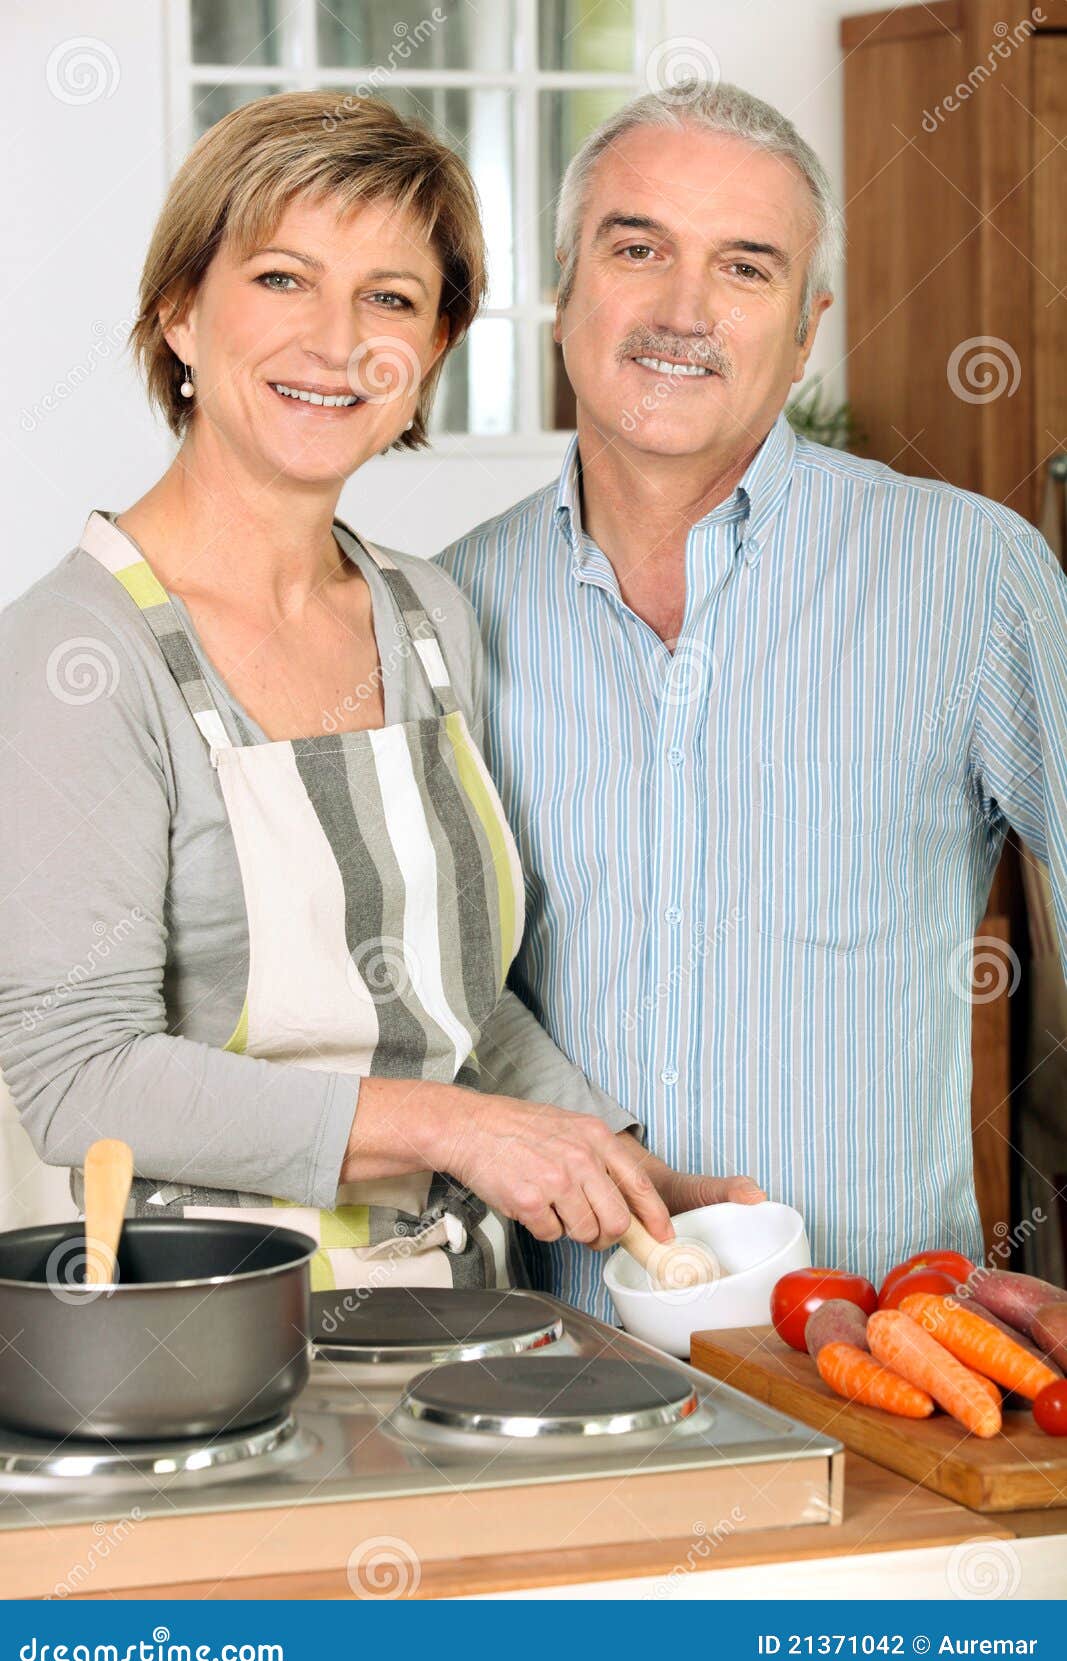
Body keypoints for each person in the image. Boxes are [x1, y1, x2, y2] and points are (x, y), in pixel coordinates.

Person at [0, 92, 761, 1297]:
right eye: (283, 279)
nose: (337, 340)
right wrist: (454, 1130)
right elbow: (80, 1078)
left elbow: (455, 997)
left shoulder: (425, 614)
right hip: (195, 1329)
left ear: (430, 359)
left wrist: (608, 1161)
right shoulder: (75, 656)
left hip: (452, 1321)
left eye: (391, 299)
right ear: (179, 313)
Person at [438, 79, 1067, 1319]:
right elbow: (445, 980)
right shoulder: (450, 606)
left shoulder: (971, 576)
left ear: (804, 327)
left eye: (744, 267)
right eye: (637, 249)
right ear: (566, 291)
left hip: (894, 1358)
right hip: (563, 1353)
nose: (682, 310)